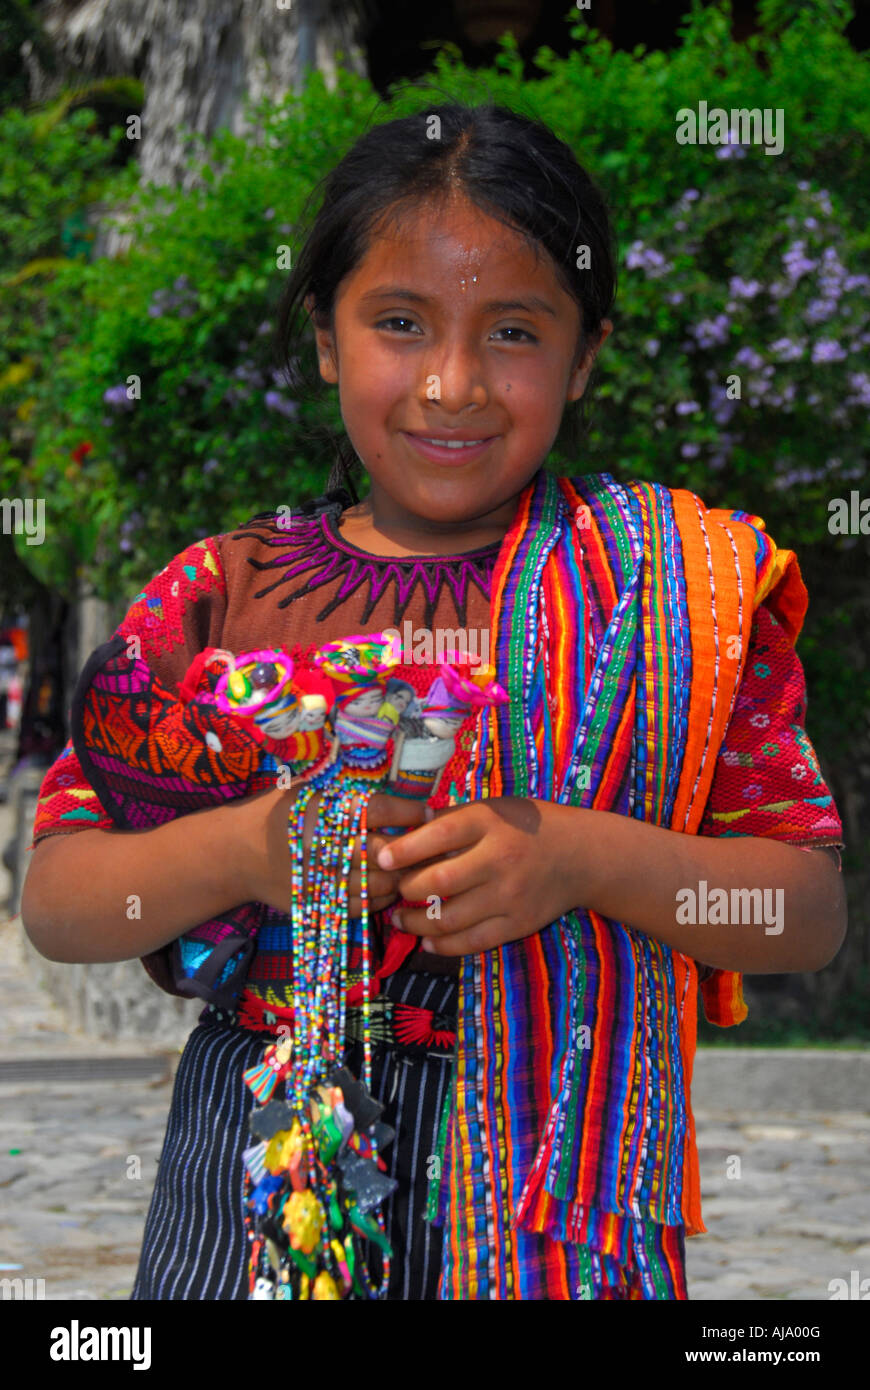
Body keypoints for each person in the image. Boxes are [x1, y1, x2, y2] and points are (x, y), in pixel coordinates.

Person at [20, 103, 847, 1301]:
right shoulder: (219, 597)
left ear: (586, 353)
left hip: (546, 1205)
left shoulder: (671, 595)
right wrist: (257, 850)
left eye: (513, 331)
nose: (452, 384)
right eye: (399, 323)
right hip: (261, 1179)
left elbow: (801, 911)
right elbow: (63, 901)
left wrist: (578, 859)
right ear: (323, 337)